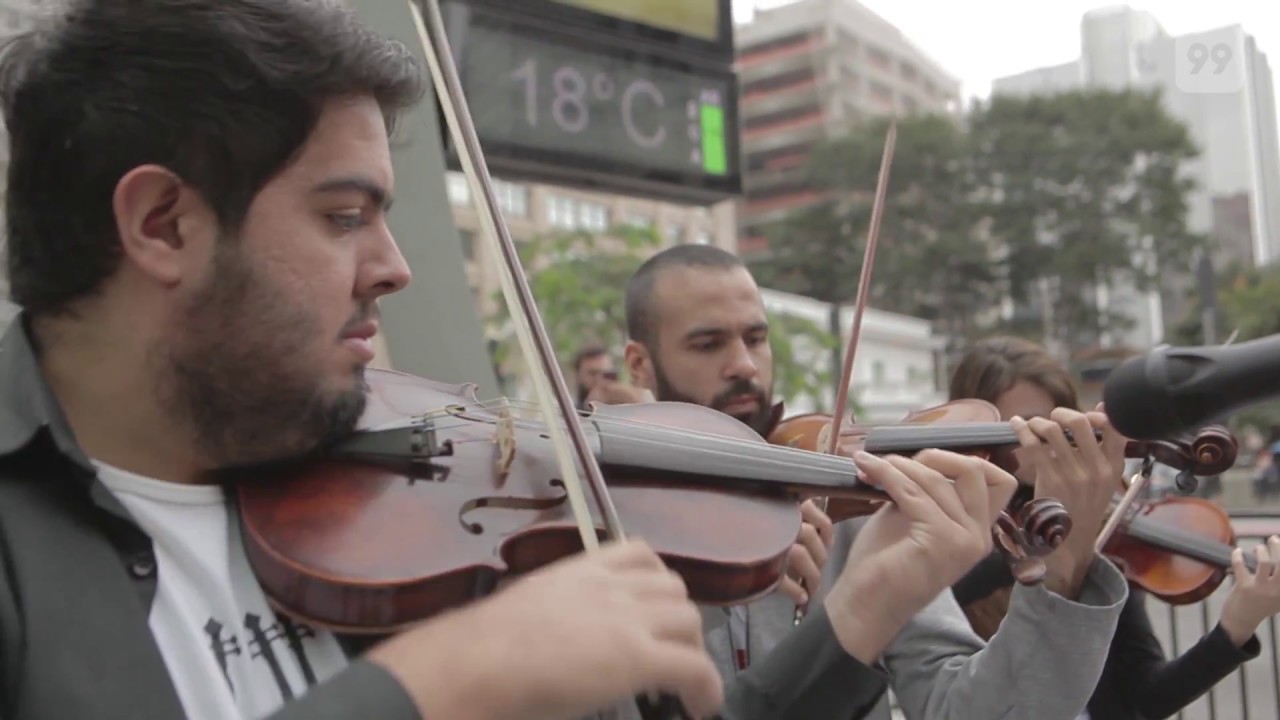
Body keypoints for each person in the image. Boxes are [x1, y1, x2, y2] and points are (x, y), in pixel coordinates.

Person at [0, 3, 1025, 720]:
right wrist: (427, 692)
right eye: (342, 214)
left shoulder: (397, 526)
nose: (392, 268)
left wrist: (857, 615)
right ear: (163, 224)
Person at [617, 244, 1129, 720]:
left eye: (755, 338)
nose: (745, 365)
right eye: (709, 344)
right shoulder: (601, 526)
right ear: (639, 363)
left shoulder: (849, 509)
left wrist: (1064, 571)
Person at [947, 336, 1280, 720]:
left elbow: (1140, 701)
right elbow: (938, 597)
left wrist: (1234, 628)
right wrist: (1046, 544)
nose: (1048, 443)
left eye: (1057, 424)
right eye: (1023, 430)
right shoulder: (951, 530)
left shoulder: (1100, 524)